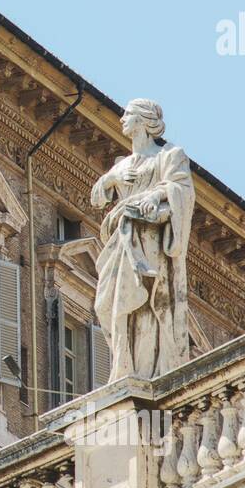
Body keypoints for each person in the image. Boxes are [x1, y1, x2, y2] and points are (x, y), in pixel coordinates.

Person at [90, 99, 195, 381]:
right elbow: (97, 198)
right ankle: (122, 364)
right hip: (121, 239)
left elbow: (181, 189)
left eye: (128, 115)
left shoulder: (170, 155)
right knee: (105, 304)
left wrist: (155, 195)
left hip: (150, 242)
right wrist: (112, 177)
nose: (122, 119)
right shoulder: (122, 165)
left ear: (143, 121)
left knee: (148, 306)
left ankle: (137, 372)